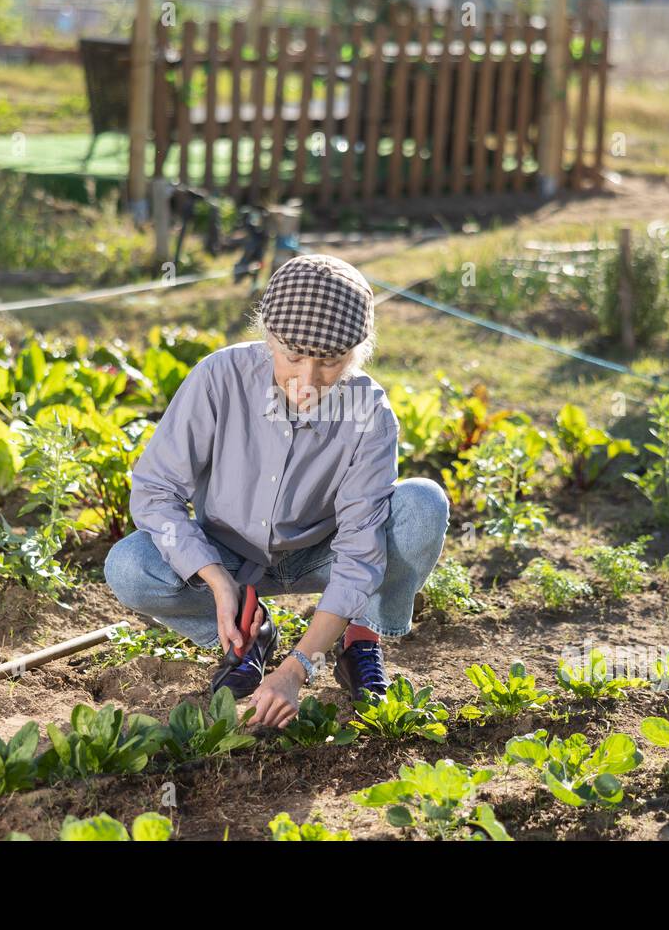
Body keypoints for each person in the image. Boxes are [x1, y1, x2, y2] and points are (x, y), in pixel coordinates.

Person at [103, 253, 450, 730]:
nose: (307, 381)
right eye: (292, 357)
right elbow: (155, 490)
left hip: (319, 556)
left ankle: (359, 639)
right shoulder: (218, 379)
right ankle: (249, 631)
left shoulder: (369, 413)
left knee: (422, 505)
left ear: (356, 352)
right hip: (230, 556)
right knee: (129, 565)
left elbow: (359, 553)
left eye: (330, 362)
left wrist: (297, 669)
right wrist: (218, 582)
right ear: (267, 335)